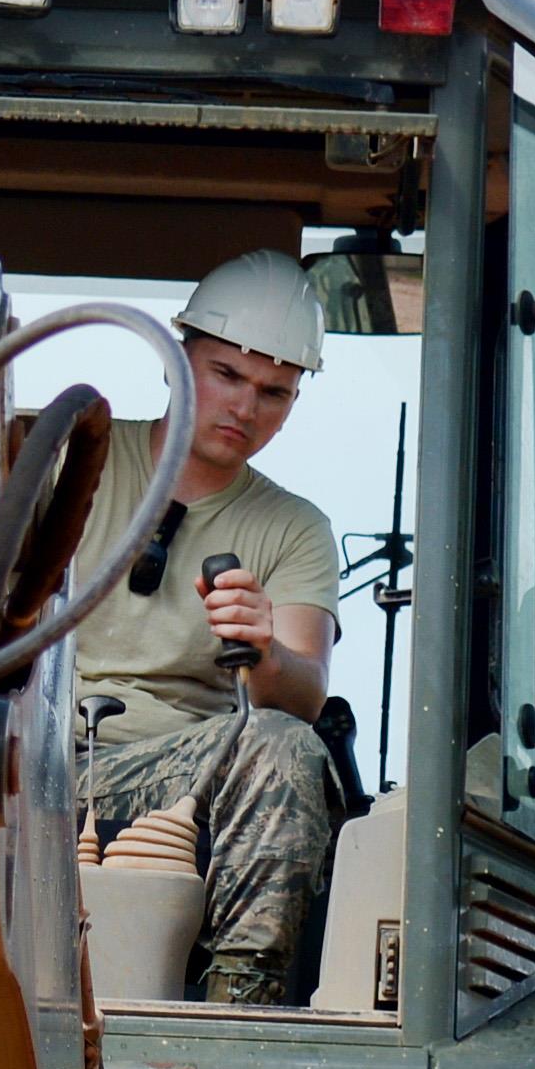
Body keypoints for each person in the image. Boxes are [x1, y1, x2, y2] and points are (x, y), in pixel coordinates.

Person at [75, 248, 343, 1004]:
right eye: (226, 375)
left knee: (286, 747)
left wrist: (262, 653)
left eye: (274, 392)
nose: (245, 408)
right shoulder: (74, 457)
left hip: (180, 776)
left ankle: (236, 1013)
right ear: (175, 355)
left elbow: (305, 692)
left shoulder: (294, 529)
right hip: (29, 756)